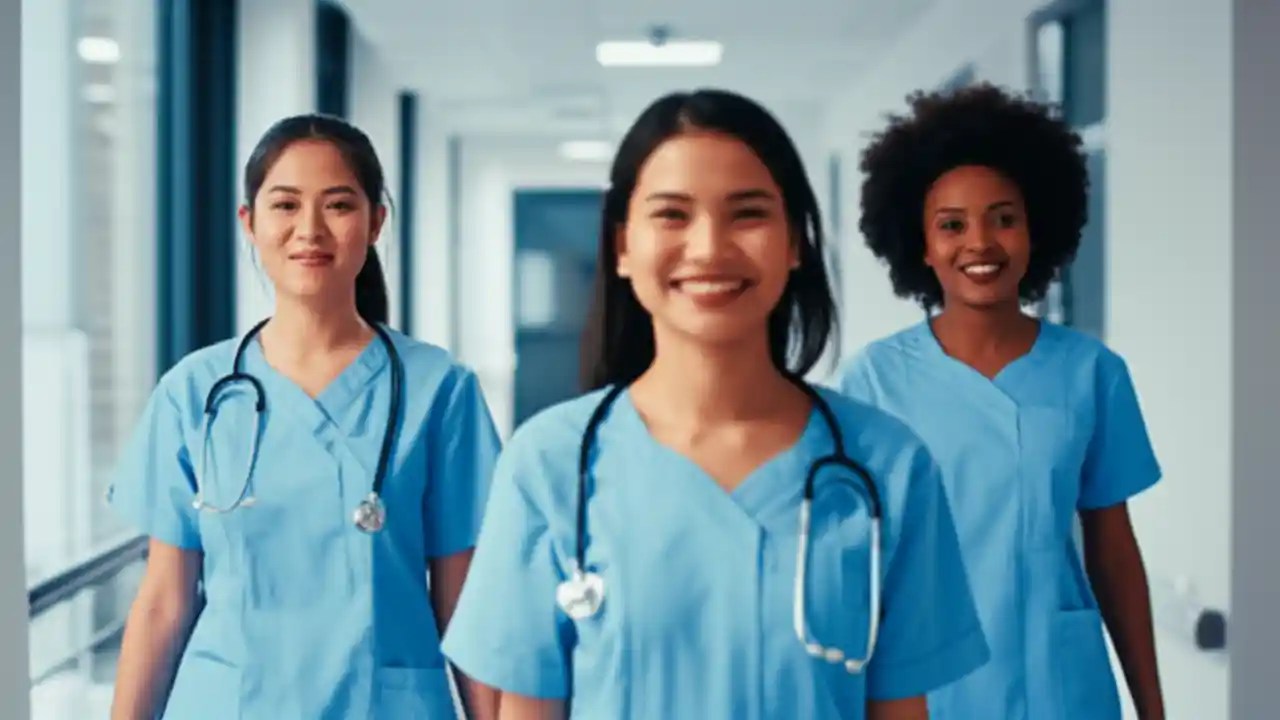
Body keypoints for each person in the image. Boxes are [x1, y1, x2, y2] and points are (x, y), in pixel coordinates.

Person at [439, 88, 989, 720]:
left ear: (794, 243)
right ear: (623, 246)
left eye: (747, 214)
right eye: (672, 215)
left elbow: (900, 710)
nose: (708, 247)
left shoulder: (886, 466)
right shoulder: (550, 464)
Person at [108, 114, 501, 719]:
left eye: (338, 205)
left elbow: (463, 600)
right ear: (251, 222)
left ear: (375, 222)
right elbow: (164, 601)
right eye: (285, 205)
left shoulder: (439, 391)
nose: (309, 230)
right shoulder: (195, 392)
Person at [833, 83, 1165, 720]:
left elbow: (1114, 551)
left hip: (1060, 684)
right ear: (921, 244)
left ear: (1036, 229)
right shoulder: (872, 381)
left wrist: (1153, 708)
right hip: (924, 691)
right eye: (951, 225)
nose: (979, 242)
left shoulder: (1091, 373)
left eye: (1003, 217)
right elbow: (848, 562)